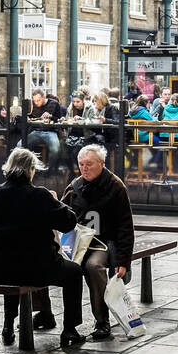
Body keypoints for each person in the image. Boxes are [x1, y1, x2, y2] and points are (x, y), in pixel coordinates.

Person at [0, 147, 87, 347]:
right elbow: (69, 222)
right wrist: (55, 202)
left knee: (12, 271)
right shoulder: (40, 196)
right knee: (74, 273)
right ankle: (70, 329)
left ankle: (8, 325)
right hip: (38, 267)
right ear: (31, 170)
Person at [62, 144, 135, 341]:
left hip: (103, 243)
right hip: (77, 243)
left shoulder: (116, 186)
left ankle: (102, 322)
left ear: (102, 164)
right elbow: (61, 218)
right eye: (81, 164)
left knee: (93, 266)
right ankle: (50, 317)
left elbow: (125, 226)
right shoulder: (74, 187)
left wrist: (123, 261)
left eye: (89, 164)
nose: (84, 168)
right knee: (51, 264)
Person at [24, 89, 66, 172]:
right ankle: (30, 167)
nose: (36, 103)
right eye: (34, 100)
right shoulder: (33, 105)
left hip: (50, 131)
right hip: (36, 131)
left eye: (38, 100)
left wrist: (51, 116)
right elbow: (31, 117)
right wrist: (28, 118)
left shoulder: (54, 104)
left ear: (43, 97)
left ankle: (48, 169)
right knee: (20, 145)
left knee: (55, 149)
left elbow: (60, 119)